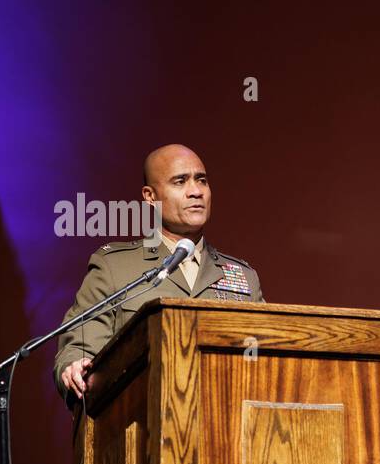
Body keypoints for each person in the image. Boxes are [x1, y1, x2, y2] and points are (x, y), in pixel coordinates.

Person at [54, 144, 264, 402]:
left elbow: (268, 358)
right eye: (180, 181)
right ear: (150, 196)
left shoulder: (244, 277)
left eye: (202, 180)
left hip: (226, 414)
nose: (196, 191)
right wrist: (75, 366)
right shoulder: (114, 267)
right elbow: (79, 348)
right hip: (142, 415)